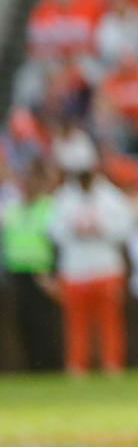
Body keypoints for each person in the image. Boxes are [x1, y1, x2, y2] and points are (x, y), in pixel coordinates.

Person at [48, 129, 134, 377]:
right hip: (75, 269)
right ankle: (77, 367)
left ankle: (112, 365)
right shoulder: (63, 198)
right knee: (76, 325)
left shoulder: (110, 197)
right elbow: (54, 232)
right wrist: (75, 228)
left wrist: (101, 227)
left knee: (109, 323)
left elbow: (125, 229)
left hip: (105, 266)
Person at [1, 157, 62, 371]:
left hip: (41, 273)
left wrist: (54, 274)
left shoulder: (49, 207)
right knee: (23, 324)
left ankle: (49, 368)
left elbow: (57, 243)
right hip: (17, 273)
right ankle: (32, 368)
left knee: (44, 324)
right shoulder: (14, 207)